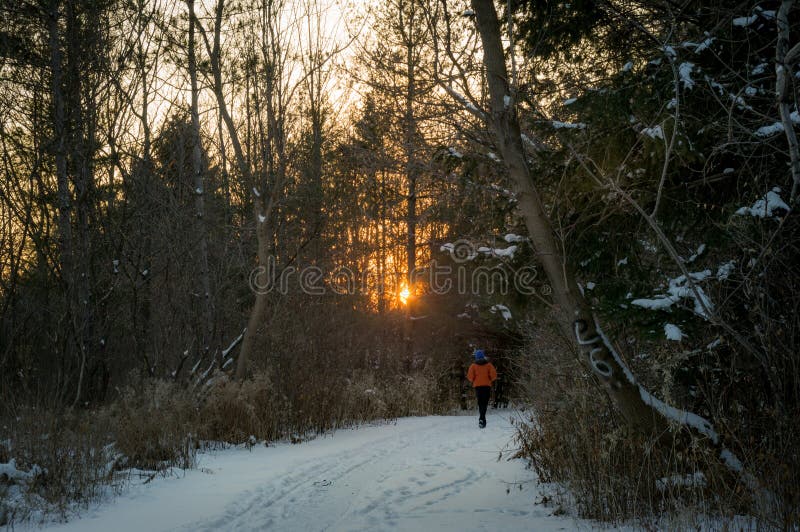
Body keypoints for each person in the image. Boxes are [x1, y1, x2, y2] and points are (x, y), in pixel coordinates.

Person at [467, 349, 497, 428]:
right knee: (485, 402)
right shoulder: (489, 365)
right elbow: (494, 376)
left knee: (480, 403)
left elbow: (470, 377)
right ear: (483, 357)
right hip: (487, 386)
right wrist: (489, 379)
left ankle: (482, 418)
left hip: (478, 386)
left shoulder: (473, 366)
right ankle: (482, 418)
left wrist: (474, 380)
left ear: (476, 357)